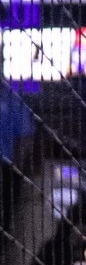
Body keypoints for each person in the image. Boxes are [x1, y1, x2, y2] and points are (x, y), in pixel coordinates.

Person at [0, 80, 33, 236]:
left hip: (6, 170)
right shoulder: (14, 100)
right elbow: (26, 139)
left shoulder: (13, 100)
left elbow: (26, 138)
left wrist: (16, 170)